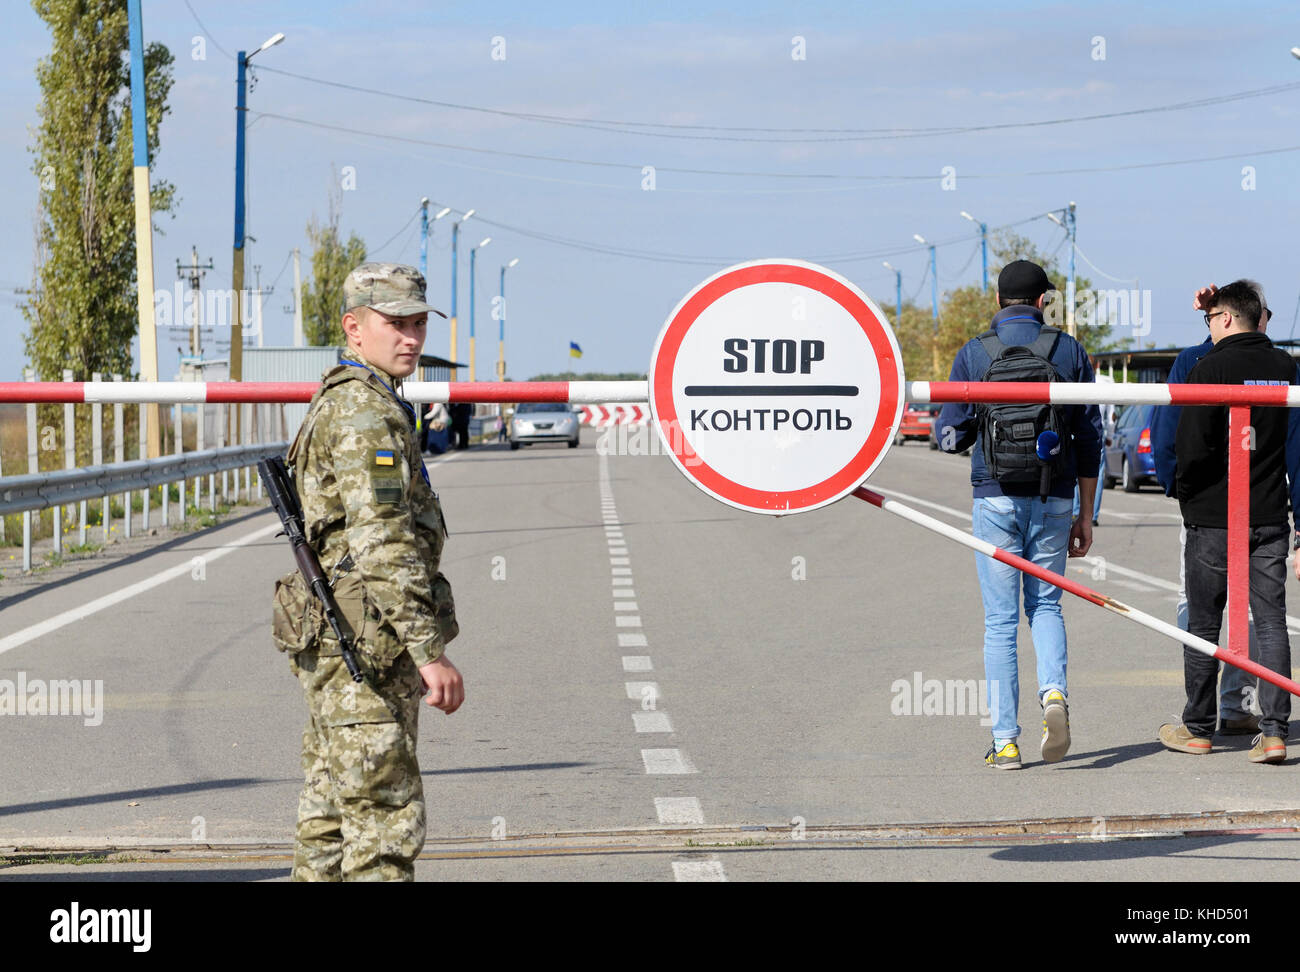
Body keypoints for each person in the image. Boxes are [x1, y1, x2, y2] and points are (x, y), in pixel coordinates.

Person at [281, 262, 465, 880]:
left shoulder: (351, 396)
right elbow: (382, 541)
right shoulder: (366, 413)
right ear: (354, 328)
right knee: (383, 826)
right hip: (366, 641)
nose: (411, 337)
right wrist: (428, 650)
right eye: (395, 323)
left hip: (337, 637)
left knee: (331, 815)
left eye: (417, 323)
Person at [938, 259, 1102, 770]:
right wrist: (1086, 513)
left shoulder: (974, 353)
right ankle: (1054, 695)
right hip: (1055, 496)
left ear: (997, 302)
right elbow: (1092, 435)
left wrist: (975, 428)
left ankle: (1006, 742)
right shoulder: (1068, 350)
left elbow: (948, 435)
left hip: (996, 496)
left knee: (1000, 622)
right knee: (1047, 607)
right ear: (1041, 302)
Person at [1160, 279, 1296, 763]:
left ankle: (1198, 729)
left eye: (1209, 320)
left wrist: (1190, 501)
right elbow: (1294, 450)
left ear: (1223, 319)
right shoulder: (1286, 369)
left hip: (1212, 519)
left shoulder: (1208, 368)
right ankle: (1275, 731)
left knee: (1202, 622)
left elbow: (1191, 447)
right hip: (1267, 515)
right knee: (1271, 622)